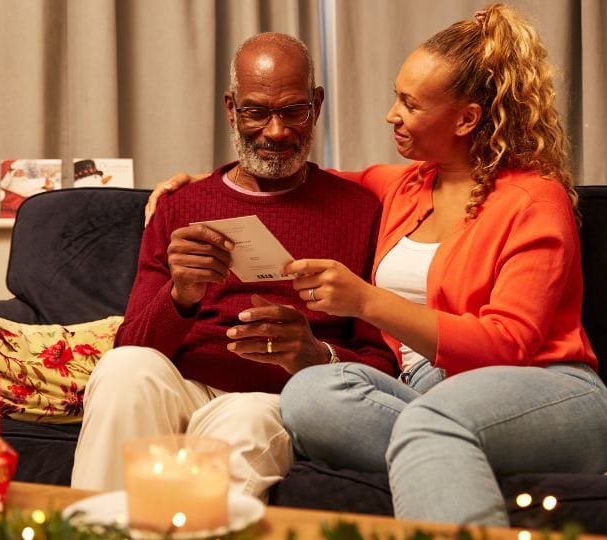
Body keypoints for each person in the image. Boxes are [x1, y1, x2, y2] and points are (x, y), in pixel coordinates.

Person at [145, 4, 607, 526]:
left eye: (409, 103)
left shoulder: (534, 200)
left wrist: (367, 301)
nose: (391, 114)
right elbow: (282, 169)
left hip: (544, 390)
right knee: (308, 393)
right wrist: (194, 187)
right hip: (422, 392)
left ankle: (467, 448)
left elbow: (507, 346)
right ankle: (470, 462)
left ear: (465, 118)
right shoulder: (403, 187)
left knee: (435, 422)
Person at [70, 32, 396, 500]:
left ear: (317, 105)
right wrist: (180, 295)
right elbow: (132, 344)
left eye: (293, 111)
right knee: (125, 368)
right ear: (231, 108)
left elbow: (382, 365)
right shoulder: (180, 205)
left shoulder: (361, 212)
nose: (277, 131)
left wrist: (311, 355)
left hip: (272, 401)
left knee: (248, 419)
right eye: (256, 111)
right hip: (181, 386)